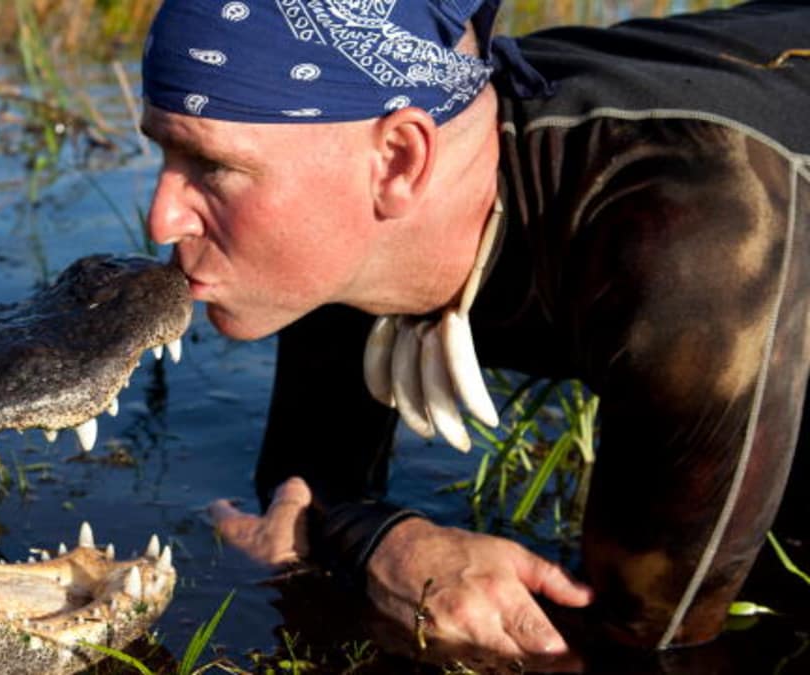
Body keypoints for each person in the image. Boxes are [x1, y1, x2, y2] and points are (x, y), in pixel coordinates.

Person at [138, 0, 810, 667]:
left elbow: (649, 638)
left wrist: (352, 541)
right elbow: (303, 488)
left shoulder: (692, 241)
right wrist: (387, 543)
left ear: (399, 160)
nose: (159, 219)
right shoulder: (346, 219)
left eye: (212, 167)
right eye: (164, 153)